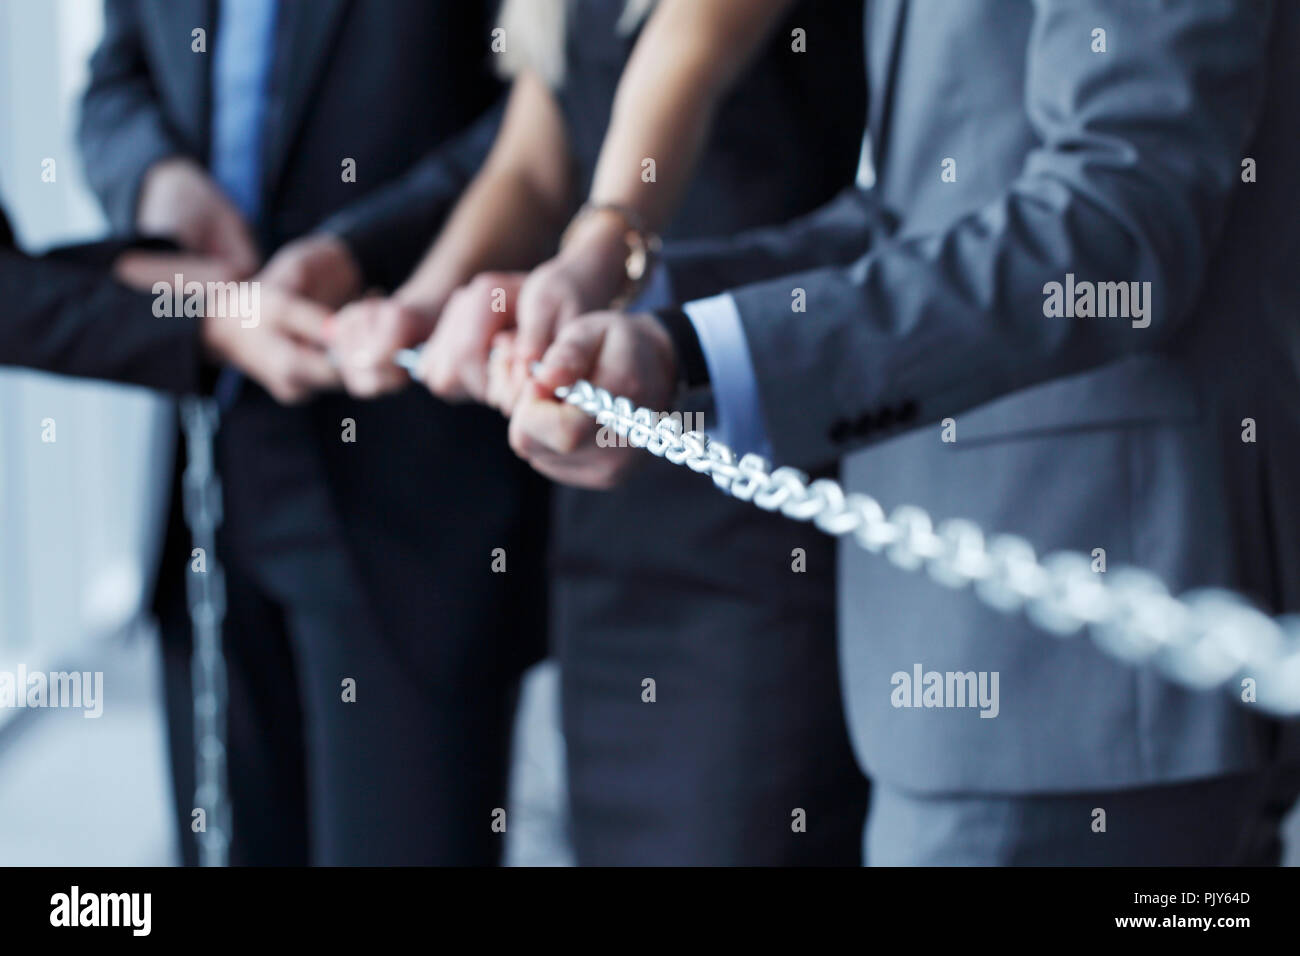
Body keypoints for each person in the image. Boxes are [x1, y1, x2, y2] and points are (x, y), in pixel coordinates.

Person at [504, 0, 1300, 864]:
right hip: (961, 664)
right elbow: (901, 219)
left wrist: (689, 352)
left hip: (1087, 666)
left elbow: (1116, 227)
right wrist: (646, 319)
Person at [330, 0, 870, 864]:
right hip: (605, 511)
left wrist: (596, 255)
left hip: (749, 481)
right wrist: (423, 306)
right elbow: (531, 168)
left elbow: (688, 52)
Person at [78, 0, 545, 866]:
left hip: (413, 466)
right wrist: (155, 180)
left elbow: (545, 117)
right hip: (211, 466)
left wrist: (358, 254)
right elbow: (114, 82)